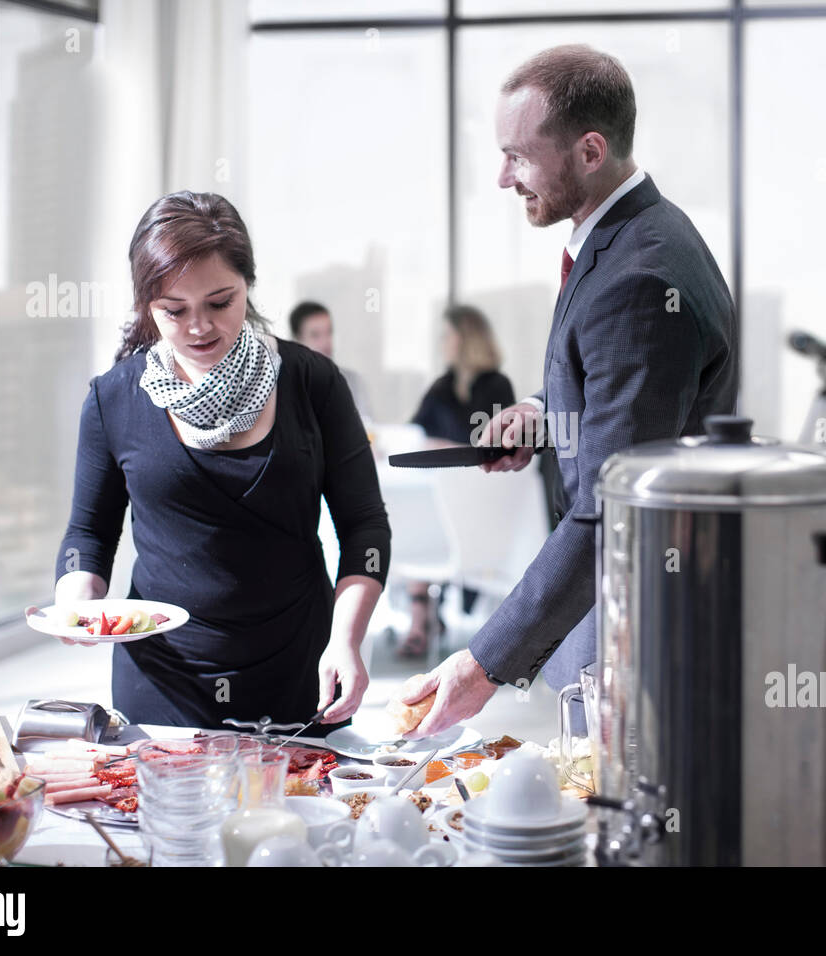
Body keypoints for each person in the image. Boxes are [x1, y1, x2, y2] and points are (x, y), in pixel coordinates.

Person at [399, 45, 738, 735]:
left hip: (637, 624)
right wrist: (543, 413)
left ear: (589, 151)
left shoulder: (640, 278)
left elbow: (610, 511)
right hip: (622, 609)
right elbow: (624, 393)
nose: (503, 178)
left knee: (612, 794)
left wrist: (483, 664)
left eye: (518, 157)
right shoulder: (638, 232)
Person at [52, 192, 390, 728]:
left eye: (219, 302)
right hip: (163, 678)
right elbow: (88, 534)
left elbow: (365, 527)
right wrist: (77, 598)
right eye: (174, 310)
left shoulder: (313, 382)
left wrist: (347, 640)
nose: (199, 327)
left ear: (247, 286)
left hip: (302, 666)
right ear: (146, 305)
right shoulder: (112, 399)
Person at [399, 305, 516, 658]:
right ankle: (420, 615)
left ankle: (421, 619)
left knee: (427, 516)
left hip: (485, 499)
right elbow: (414, 433)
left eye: (446, 335)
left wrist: (441, 445)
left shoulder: (496, 385)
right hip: (446, 496)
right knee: (417, 516)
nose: (441, 342)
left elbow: (491, 446)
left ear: (465, 339)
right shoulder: (443, 385)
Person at [290, 300, 372, 421]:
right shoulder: (285, 385)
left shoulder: (352, 381)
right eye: (315, 335)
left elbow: (367, 425)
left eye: (329, 332)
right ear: (297, 340)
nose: (325, 342)